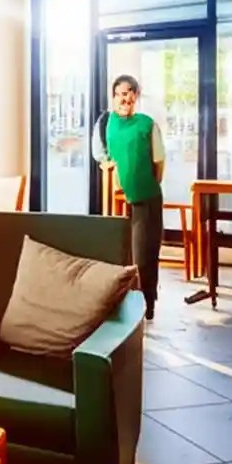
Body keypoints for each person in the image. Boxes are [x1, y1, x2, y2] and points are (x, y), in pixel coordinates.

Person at [92, 75, 165, 320]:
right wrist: (109, 166)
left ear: (137, 96)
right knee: (120, 253)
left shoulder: (147, 124)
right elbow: (100, 154)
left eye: (131, 93)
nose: (126, 98)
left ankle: (147, 303)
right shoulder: (105, 122)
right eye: (122, 93)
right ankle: (120, 302)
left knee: (144, 254)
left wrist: (146, 183)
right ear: (114, 96)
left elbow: (159, 161)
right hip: (117, 199)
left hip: (146, 198)